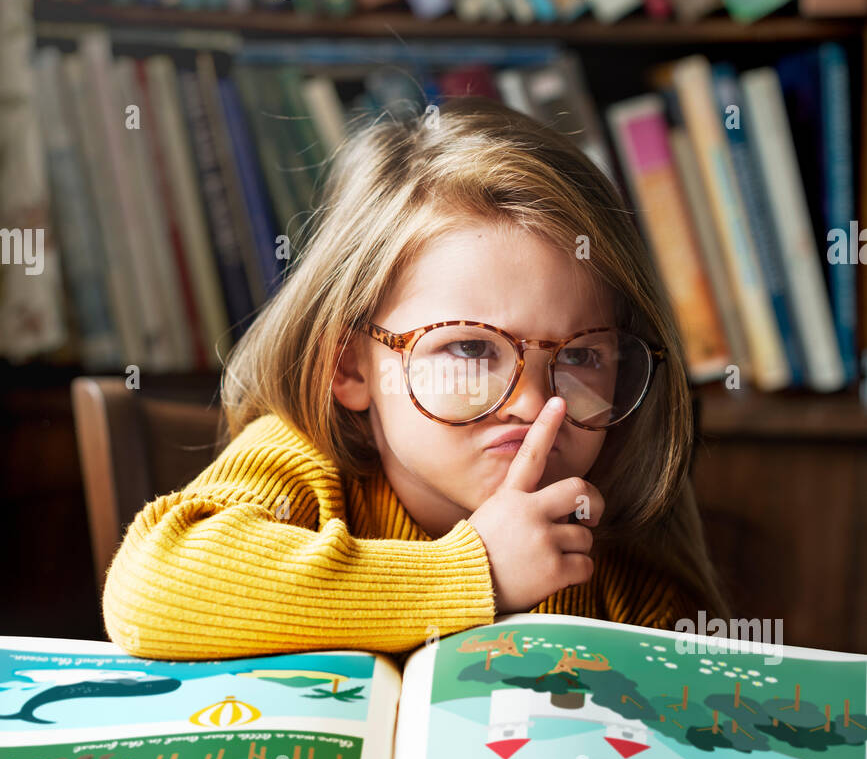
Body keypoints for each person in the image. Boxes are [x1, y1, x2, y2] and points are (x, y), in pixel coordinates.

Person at [103, 98, 727, 659]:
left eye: (583, 357)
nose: (535, 403)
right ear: (349, 365)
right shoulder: (301, 466)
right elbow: (151, 589)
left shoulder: (614, 555)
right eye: (470, 348)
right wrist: (473, 575)